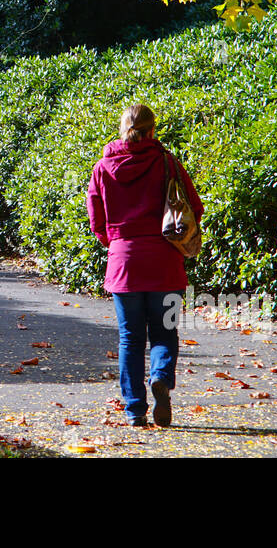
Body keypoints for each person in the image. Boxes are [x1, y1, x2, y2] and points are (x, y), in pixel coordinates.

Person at [87, 103, 203, 427]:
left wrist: (118, 244)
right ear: (152, 130)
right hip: (166, 263)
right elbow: (194, 206)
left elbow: (97, 222)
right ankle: (161, 378)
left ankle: (135, 410)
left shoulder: (102, 168)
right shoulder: (167, 162)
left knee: (130, 339)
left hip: (124, 265)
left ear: (122, 128)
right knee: (165, 333)